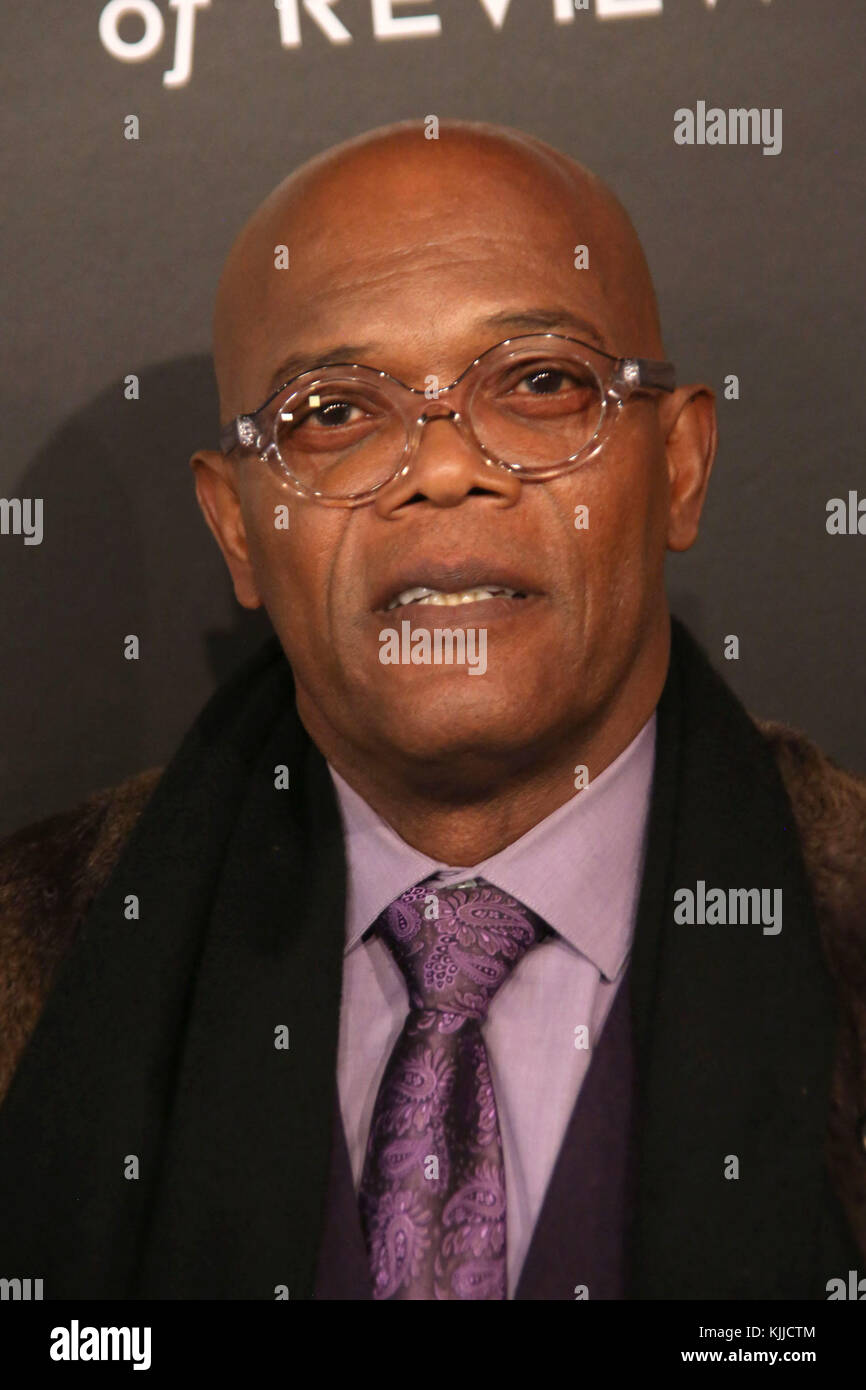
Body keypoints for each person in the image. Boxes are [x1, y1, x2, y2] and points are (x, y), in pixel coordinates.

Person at [0, 119, 863, 1302]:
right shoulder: (31, 956)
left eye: (541, 382)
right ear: (237, 527)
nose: (443, 466)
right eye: (336, 412)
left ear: (679, 465)